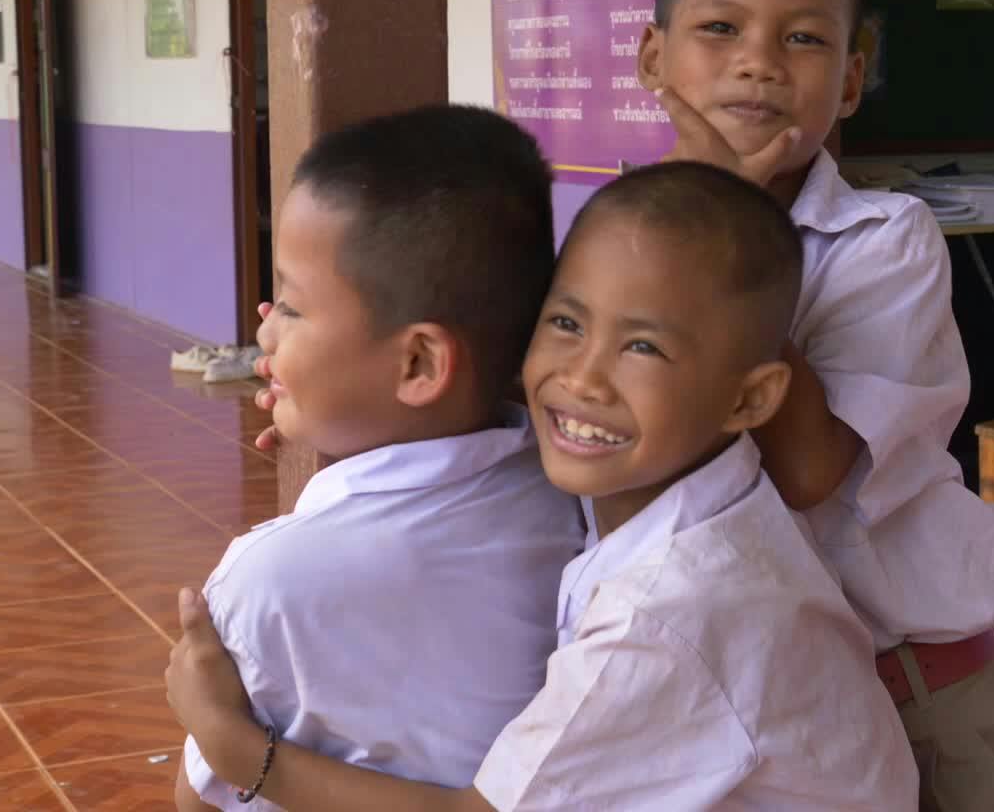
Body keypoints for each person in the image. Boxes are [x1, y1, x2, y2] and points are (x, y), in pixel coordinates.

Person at [168, 162, 918, 810]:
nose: (582, 378)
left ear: (750, 400)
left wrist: (239, 750)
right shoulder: (660, 480)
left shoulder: (669, 613)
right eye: (564, 323)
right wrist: (330, 406)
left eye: (644, 346)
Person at [642, 0, 994, 810]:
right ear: (651, 55)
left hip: (916, 692)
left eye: (804, 38)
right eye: (720, 29)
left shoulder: (885, 241)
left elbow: (807, 470)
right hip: (727, 701)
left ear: (852, 78)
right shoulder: (606, 252)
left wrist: (728, 232)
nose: (759, 64)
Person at [172, 105, 584, 811]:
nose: (266, 333)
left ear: (419, 362)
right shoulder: (569, 493)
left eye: (293, 310)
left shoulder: (269, 578)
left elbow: (196, 797)